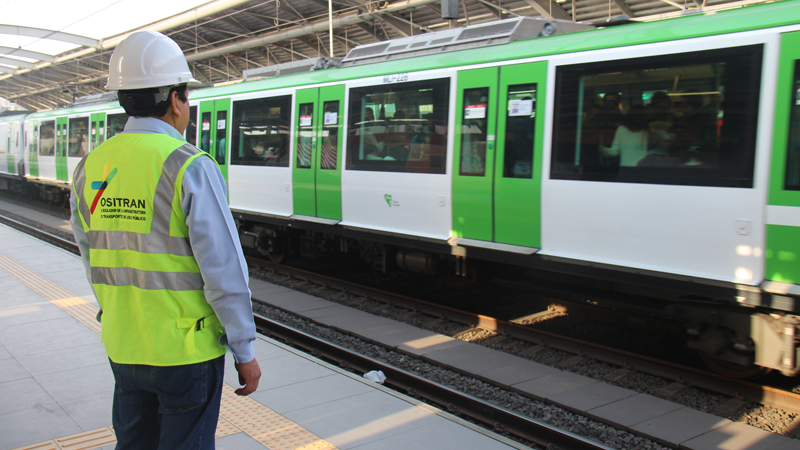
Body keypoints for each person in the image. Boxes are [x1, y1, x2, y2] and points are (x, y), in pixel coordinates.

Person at [69, 30, 261, 450]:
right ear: (176, 99)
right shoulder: (188, 165)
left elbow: (91, 259)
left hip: (123, 344)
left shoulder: (90, 166)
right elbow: (223, 269)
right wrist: (244, 350)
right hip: (185, 351)